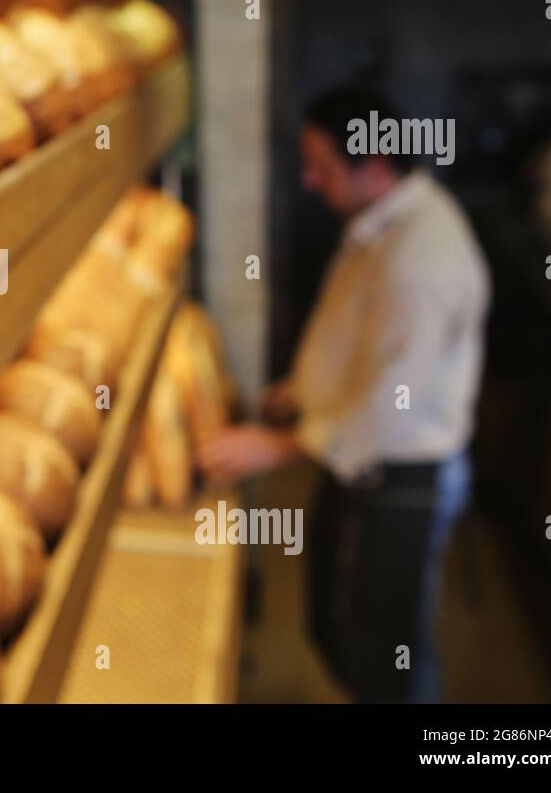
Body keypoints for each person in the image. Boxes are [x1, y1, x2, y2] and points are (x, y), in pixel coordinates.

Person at [200, 86, 490, 703]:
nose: (308, 182)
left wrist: (277, 449)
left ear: (377, 169)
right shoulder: (380, 220)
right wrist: (304, 388)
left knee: (391, 658)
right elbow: (360, 336)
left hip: (404, 471)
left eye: (321, 167)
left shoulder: (423, 256)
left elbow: (393, 402)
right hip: (360, 458)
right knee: (337, 626)